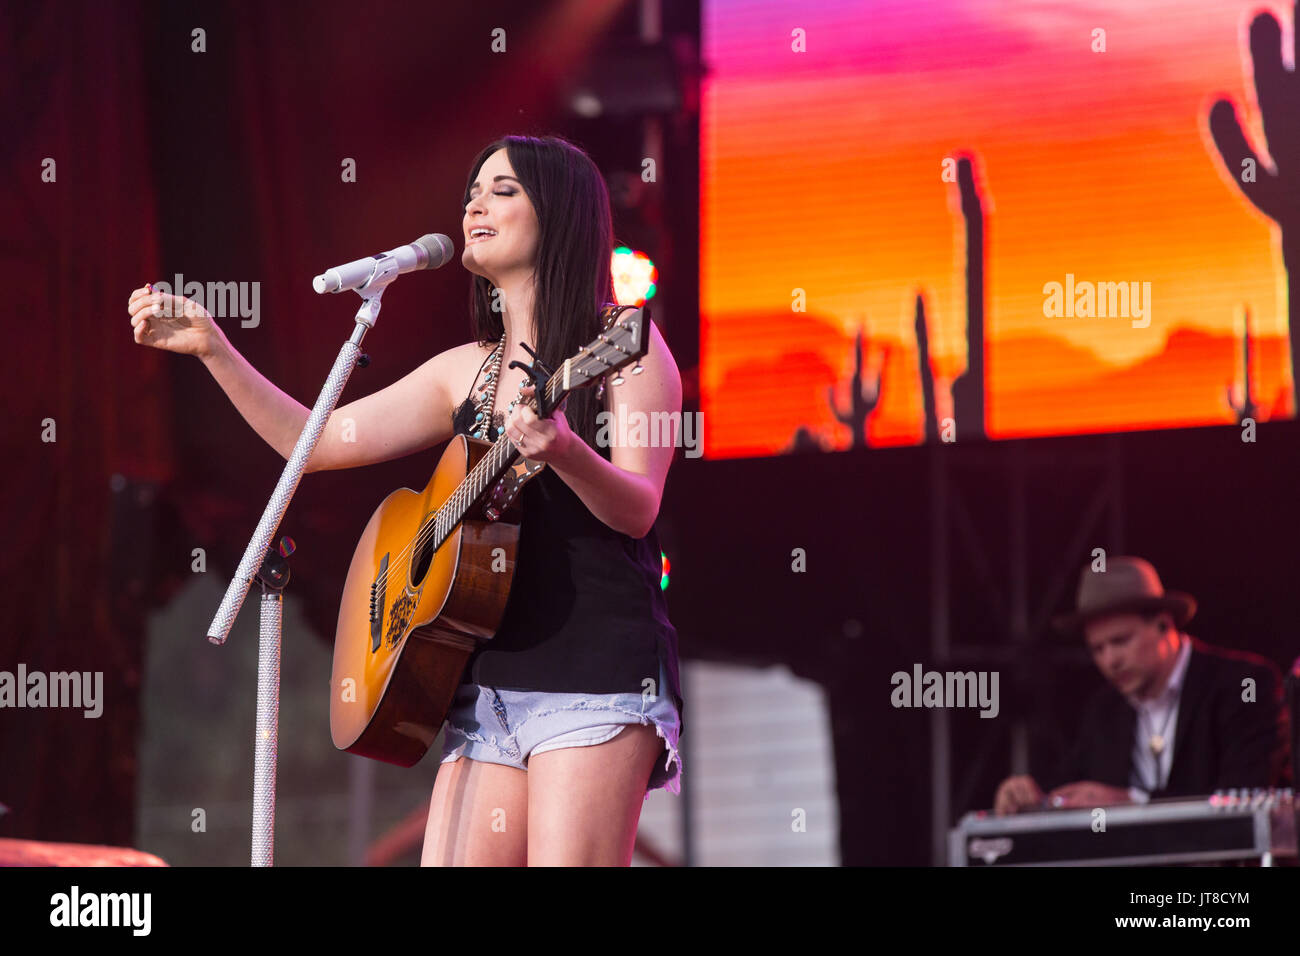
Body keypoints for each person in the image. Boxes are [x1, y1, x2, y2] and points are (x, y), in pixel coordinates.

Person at [127, 134, 685, 865]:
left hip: (593, 677)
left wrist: (568, 453)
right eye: (472, 192)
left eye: (503, 190)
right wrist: (214, 350)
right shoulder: (466, 371)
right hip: (486, 695)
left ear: (562, 215)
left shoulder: (624, 346)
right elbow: (314, 442)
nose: (475, 204)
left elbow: (638, 507)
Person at [994, 556, 1289, 815]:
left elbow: (1247, 795)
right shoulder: (1104, 711)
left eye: (1120, 641)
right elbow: (1075, 782)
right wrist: (1033, 795)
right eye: (1097, 649)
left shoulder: (1243, 685)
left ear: (1163, 624)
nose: (1110, 660)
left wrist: (1134, 802)